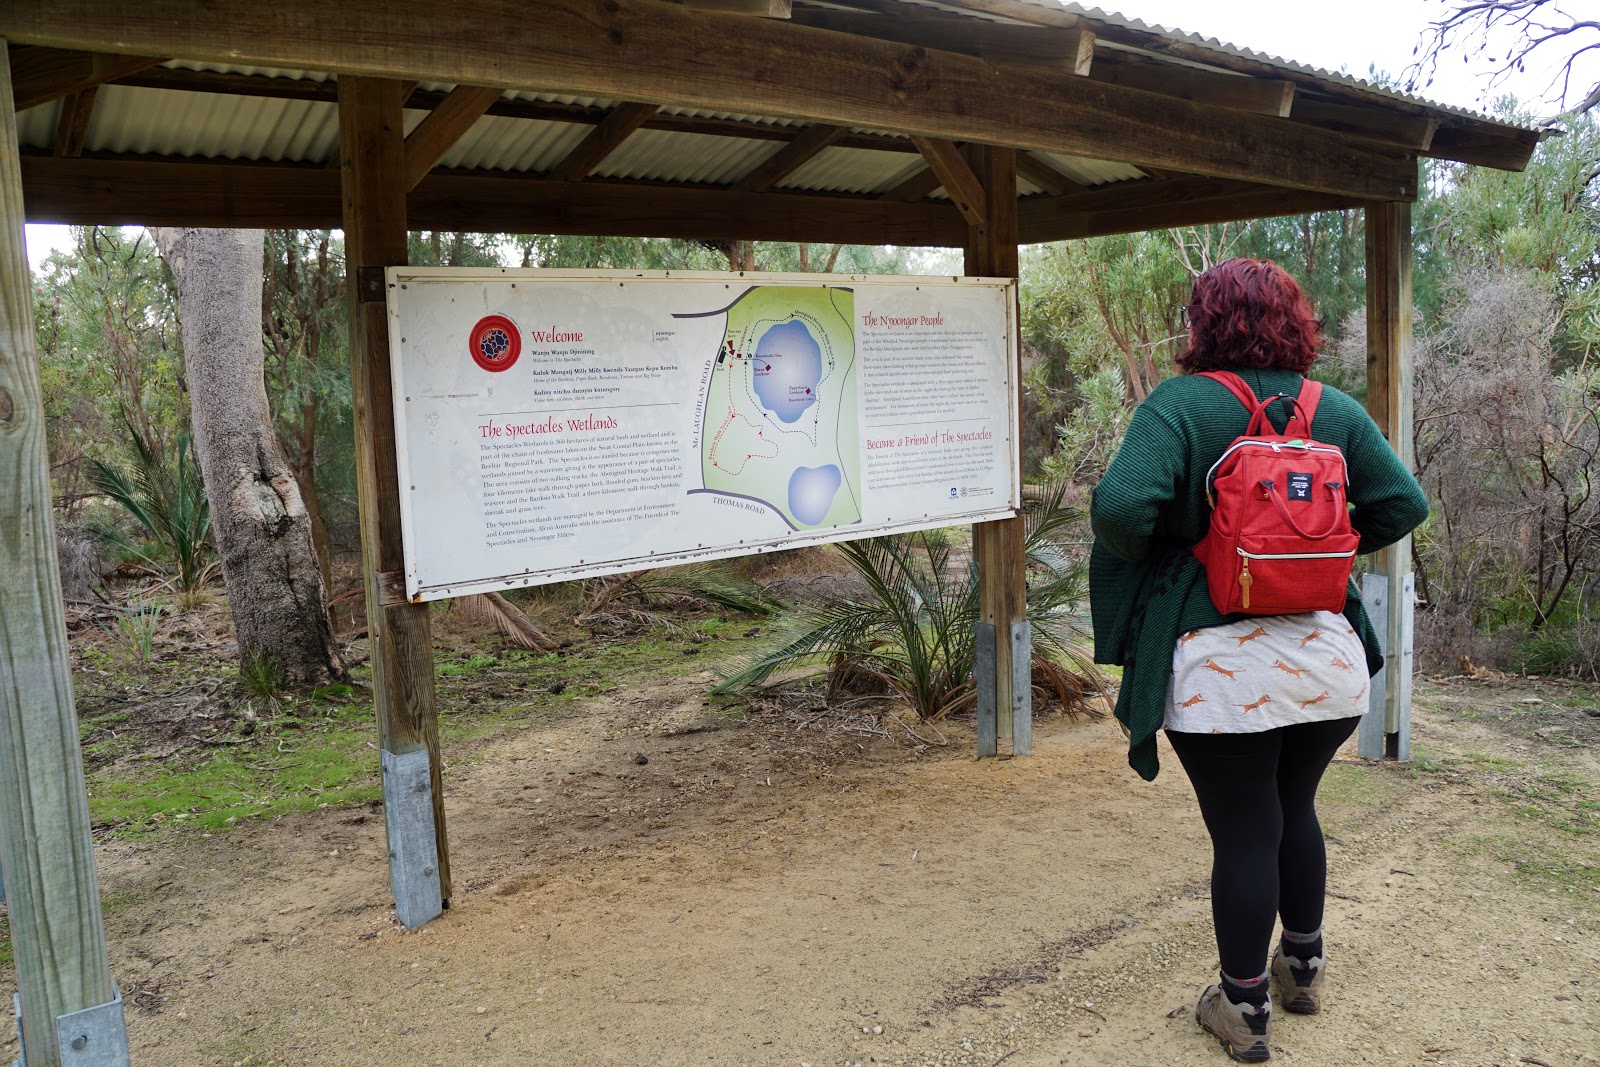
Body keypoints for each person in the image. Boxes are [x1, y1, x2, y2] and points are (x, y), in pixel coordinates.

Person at [1088, 258, 1428, 1062]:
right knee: (1293, 808)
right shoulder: (1332, 410)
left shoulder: (1180, 405)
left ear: (1206, 322)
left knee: (1244, 827)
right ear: (1296, 325)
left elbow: (1118, 508)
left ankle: (1241, 1006)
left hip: (1220, 667)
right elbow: (1403, 502)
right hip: (1327, 661)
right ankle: (1302, 967)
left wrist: (1195, 550)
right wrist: (1317, 551)